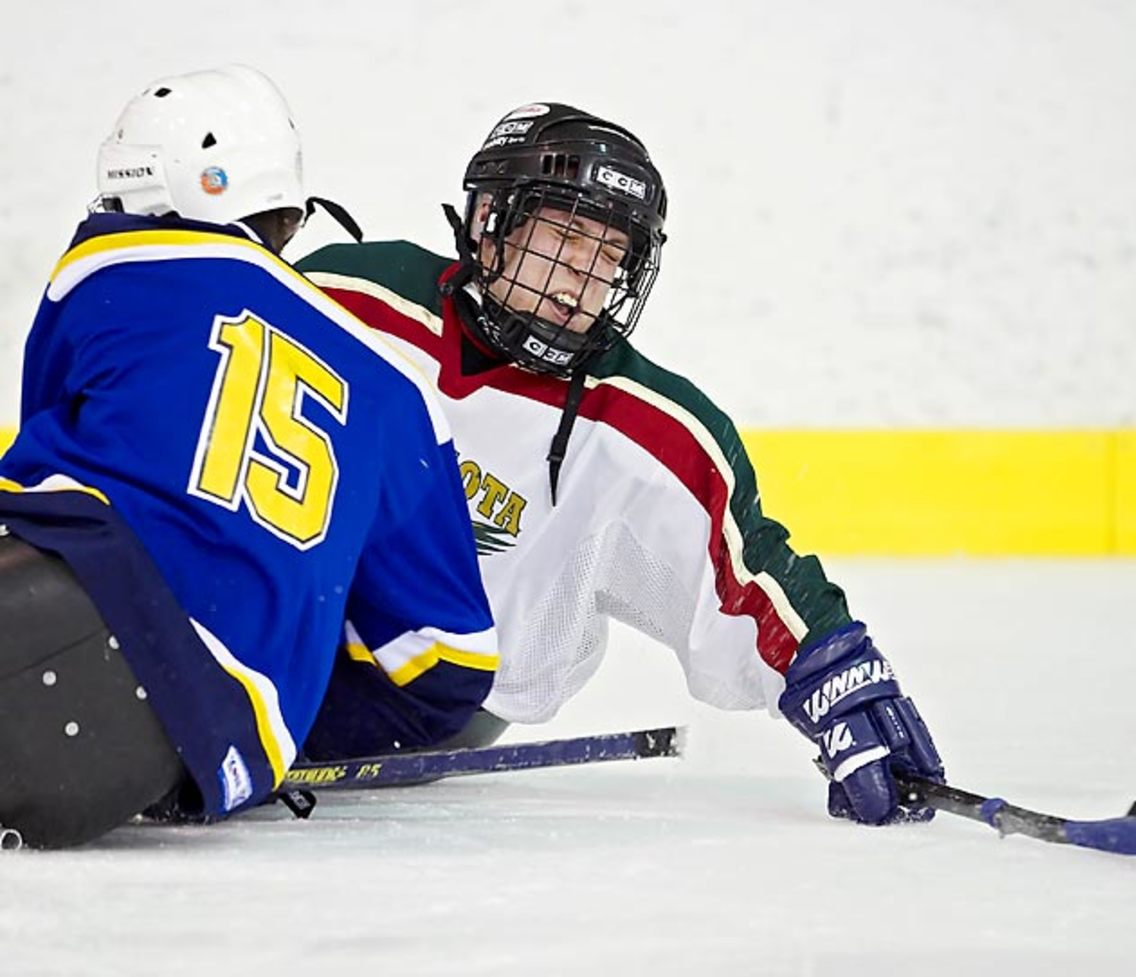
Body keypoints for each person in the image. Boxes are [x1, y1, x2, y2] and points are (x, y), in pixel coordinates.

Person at [295, 103, 944, 825]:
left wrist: (833, 678)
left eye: (609, 258)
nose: (582, 279)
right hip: (288, 626)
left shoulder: (642, 422)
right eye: (567, 239)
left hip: (429, 698)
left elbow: (745, 569)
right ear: (490, 225)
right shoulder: (347, 300)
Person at [0, 66, 497, 849]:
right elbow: (448, 671)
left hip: (49, 589)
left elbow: (41, 454)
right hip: (204, 741)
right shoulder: (399, 390)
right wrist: (278, 713)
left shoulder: (104, 266)